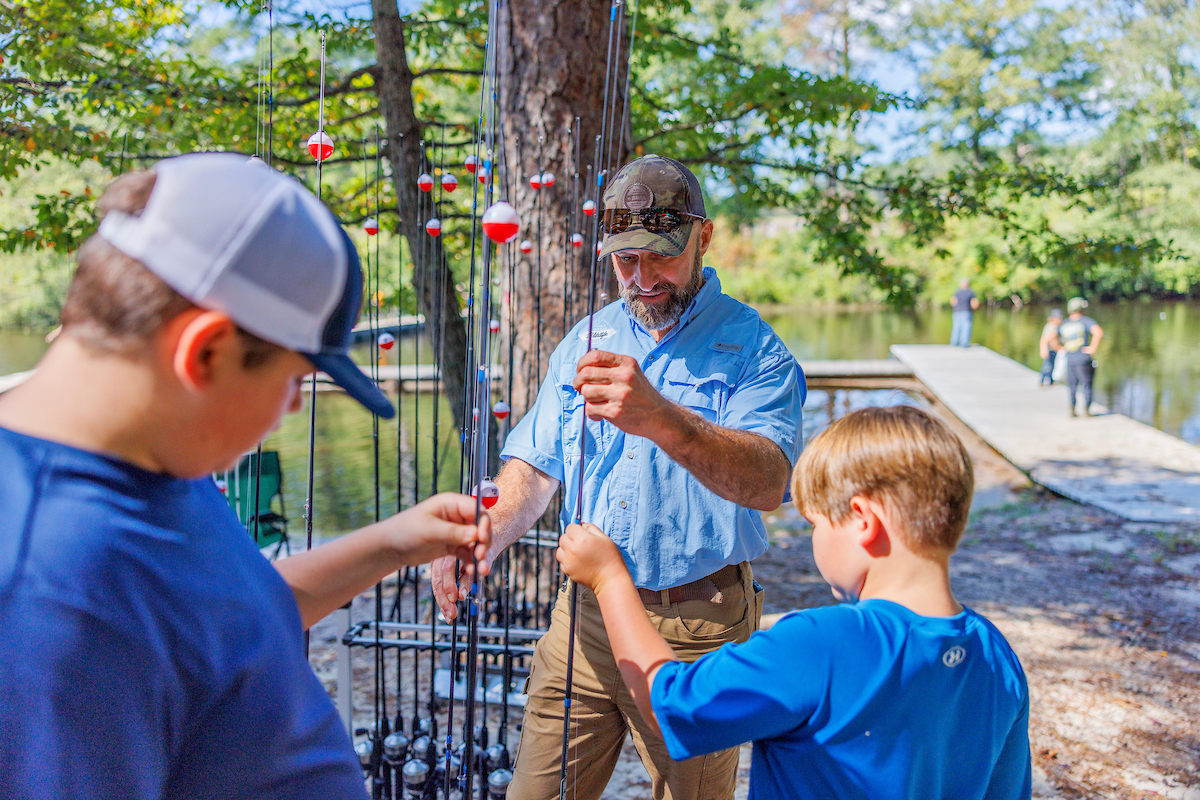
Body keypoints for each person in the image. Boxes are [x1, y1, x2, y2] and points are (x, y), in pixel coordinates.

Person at [0, 154, 491, 799]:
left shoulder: (157, 456)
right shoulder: (46, 594)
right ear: (205, 351)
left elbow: (218, 622)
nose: (294, 407)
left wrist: (394, 543)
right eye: (295, 380)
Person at [430, 154, 806, 800]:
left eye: (661, 256)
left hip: (699, 627)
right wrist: (484, 531)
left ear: (703, 237)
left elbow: (768, 482)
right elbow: (535, 465)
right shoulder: (587, 338)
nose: (643, 278)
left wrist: (661, 417)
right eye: (626, 260)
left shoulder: (756, 348)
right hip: (583, 617)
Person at [556, 405, 1031, 800]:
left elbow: (670, 706)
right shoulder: (996, 656)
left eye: (816, 524)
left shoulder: (819, 644)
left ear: (863, 520)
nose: (815, 540)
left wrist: (609, 578)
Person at [1058, 296, 1104, 417]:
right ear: (1082, 309)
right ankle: (1087, 411)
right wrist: (1092, 348)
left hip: (1070, 359)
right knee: (1087, 385)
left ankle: (1072, 410)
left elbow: (1052, 336)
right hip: (1083, 359)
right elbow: (1098, 332)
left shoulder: (1065, 323)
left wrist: (1060, 348)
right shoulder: (1085, 321)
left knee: (1072, 386)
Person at [949, 278, 980, 347]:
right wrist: (973, 309)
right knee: (966, 328)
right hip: (966, 312)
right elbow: (974, 304)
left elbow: (952, 301)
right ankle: (964, 344)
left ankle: (954, 343)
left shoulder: (957, 292)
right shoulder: (970, 292)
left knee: (956, 327)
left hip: (957, 311)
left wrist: (956, 307)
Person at [1038, 308, 1063, 386]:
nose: (1060, 320)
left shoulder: (1053, 326)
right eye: (1058, 318)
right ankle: (1042, 381)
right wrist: (1044, 349)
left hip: (1052, 349)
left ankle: (1051, 381)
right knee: (1047, 366)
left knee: (1052, 365)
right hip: (1050, 349)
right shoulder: (1052, 326)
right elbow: (1047, 339)